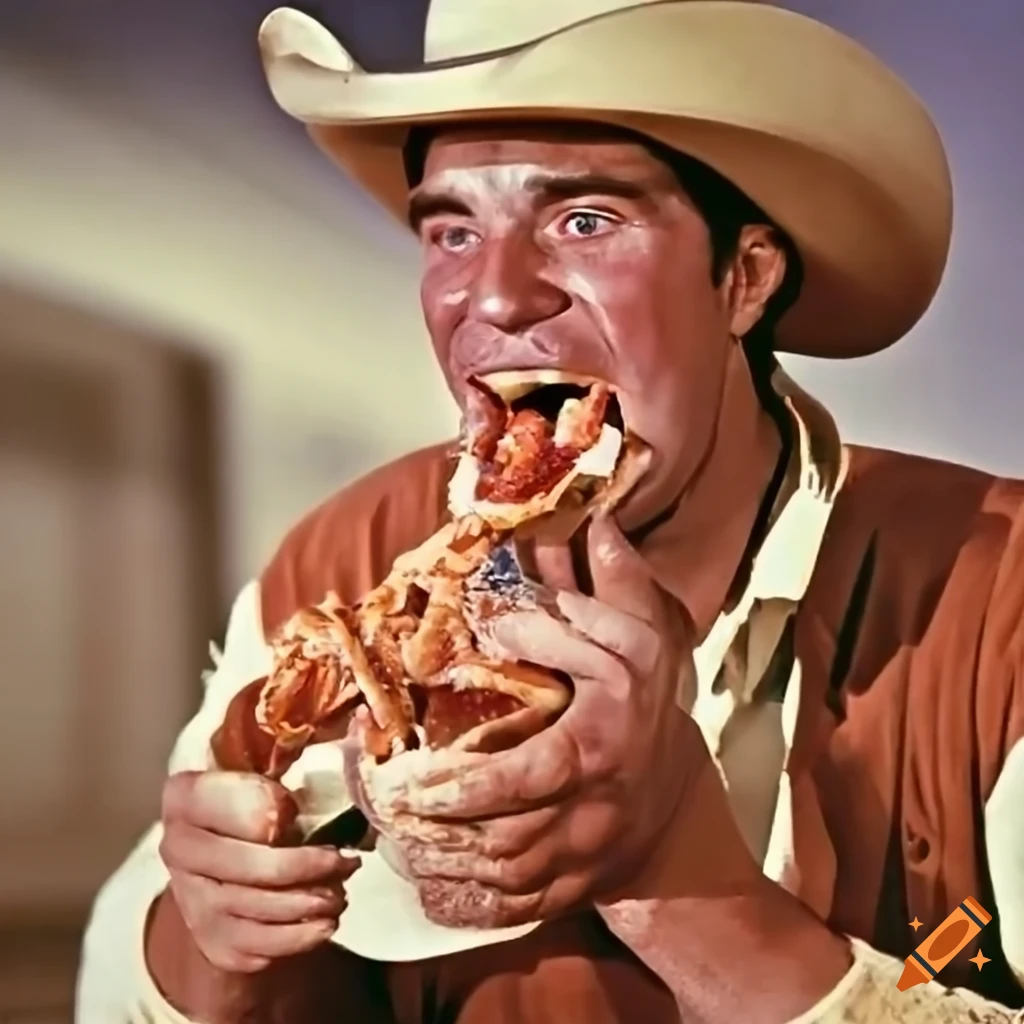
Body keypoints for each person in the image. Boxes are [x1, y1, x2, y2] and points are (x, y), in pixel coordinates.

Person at [75, 1, 1024, 1022]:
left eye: (583, 221)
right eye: (451, 229)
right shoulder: (341, 568)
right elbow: (120, 984)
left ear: (744, 278)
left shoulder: (995, 596)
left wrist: (674, 876)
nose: (493, 296)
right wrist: (211, 939)